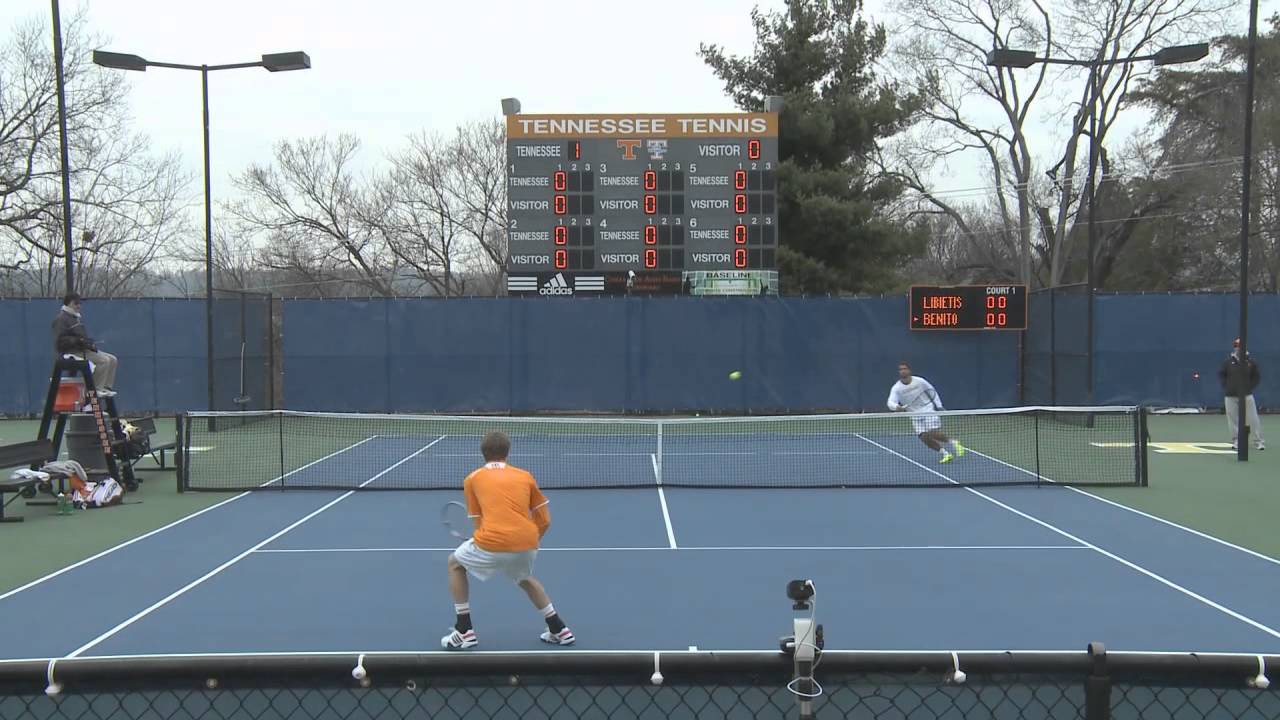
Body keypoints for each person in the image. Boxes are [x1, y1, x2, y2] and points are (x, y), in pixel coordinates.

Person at [441, 431, 575, 650]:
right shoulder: (525, 476)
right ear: (507, 452)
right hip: (528, 542)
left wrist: (493, 541)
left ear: (483, 453)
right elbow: (545, 520)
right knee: (524, 577)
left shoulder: (472, 479)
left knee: (455, 563)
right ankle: (559, 629)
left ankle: (464, 630)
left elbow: (478, 523)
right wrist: (528, 541)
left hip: (492, 541)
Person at [888, 361, 965, 463]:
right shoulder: (897, 388)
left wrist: (939, 405)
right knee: (924, 437)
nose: (903, 371)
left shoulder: (920, 381)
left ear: (909, 370)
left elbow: (931, 391)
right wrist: (897, 407)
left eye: (905, 369)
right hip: (914, 415)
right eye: (901, 369)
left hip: (927, 410)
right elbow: (890, 402)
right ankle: (946, 454)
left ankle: (954, 442)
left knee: (933, 432)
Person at [51, 293, 117, 397]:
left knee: (112, 359)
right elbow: (60, 341)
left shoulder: (75, 318)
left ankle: (105, 388)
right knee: (104, 361)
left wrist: (89, 344)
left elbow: (81, 338)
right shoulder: (61, 319)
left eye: (80, 303)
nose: (79, 306)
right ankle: (95, 390)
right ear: (68, 304)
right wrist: (78, 341)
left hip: (81, 350)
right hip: (70, 353)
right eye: (76, 303)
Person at [1218, 338, 1265, 451]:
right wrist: (1227, 386)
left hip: (1247, 395)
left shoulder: (1251, 362)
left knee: (1253, 418)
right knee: (1233, 419)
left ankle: (1259, 441)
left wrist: (1249, 387)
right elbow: (1222, 375)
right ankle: (1236, 440)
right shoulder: (1228, 362)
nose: (1238, 348)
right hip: (1230, 396)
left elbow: (1256, 377)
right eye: (1237, 346)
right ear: (1234, 347)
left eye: (1240, 345)